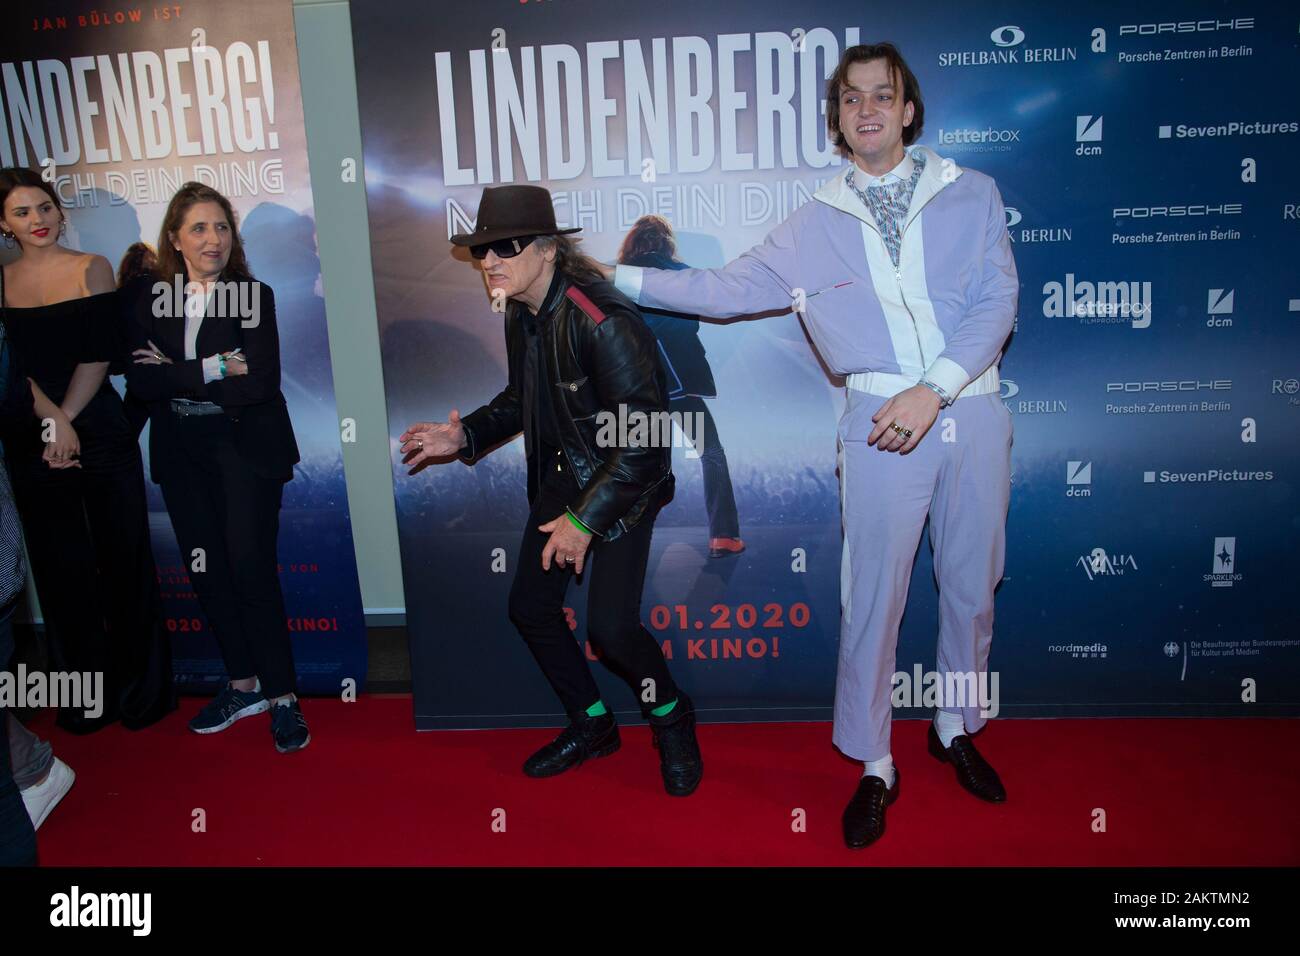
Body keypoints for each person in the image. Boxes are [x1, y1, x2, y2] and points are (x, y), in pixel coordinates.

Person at [605, 43, 1017, 847]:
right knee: (872, 597)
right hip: (875, 423)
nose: (866, 108)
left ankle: (954, 728)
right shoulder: (815, 220)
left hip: (970, 405)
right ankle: (874, 765)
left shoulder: (973, 194)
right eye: (851, 98)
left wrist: (932, 389)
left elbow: (997, 300)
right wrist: (606, 277)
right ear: (837, 119)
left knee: (973, 585)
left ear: (907, 110)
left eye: (882, 94)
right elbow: (721, 292)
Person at [400, 185, 704, 795]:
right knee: (530, 609)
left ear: (545, 249)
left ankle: (671, 717)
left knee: (611, 632)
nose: (488, 262)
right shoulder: (521, 307)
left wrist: (584, 522)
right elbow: (523, 400)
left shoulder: (605, 321)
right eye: (481, 250)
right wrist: (463, 438)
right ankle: (592, 724)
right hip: (567, 473)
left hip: (624, 486)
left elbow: (643, 446)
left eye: (502, 248)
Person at [123, 182, 308, 754]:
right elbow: (142, 381)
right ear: (175, 239)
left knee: (251, 571)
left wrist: (178, 371)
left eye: (222, 227)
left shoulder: (253, 295)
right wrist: (210, 366)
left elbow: (259, 383)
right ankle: (242, 685)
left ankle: (282, 698)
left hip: (242, 449)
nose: (213, 239)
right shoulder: (150, 300)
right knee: (208, 574)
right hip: (181, 453)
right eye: (199, 228)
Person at [0, 166, 175, 735]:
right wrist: (51, 425)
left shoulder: (91, 268)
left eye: (44, 208)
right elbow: (11, 369)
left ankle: (142, 696)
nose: (38, 221)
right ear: (3, 224)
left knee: (124, 561)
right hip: (32, 435)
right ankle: (83, 701)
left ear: (59, 210)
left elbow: (101, 353)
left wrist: (68, 419)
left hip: (99, 428)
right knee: (61, 571)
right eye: (22, 212)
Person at [616, 216, 743, 558]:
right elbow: (693, 324)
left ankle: (623, 542)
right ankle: (724, 537)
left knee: (635, 464)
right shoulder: (680, 273)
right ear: (665, 242)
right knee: (711, 452)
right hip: (679, 390)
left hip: (636, 390)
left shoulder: (615, 278)